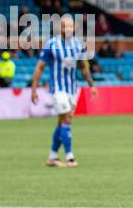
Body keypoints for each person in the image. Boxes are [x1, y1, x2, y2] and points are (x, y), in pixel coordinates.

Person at [30, 15, 96, 167]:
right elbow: (40, 67)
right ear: (60, 28)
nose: (68, 29)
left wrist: (91, 85)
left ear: (74, 28)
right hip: (57, 89)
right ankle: (70, 157)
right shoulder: (51, 44)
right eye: (65, 26)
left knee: (63, 121)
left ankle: (52, 156)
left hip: (72, 88)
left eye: (70, 26)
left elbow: (83, 67)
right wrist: (34, 89)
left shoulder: (78, 45)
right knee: (66, 118)